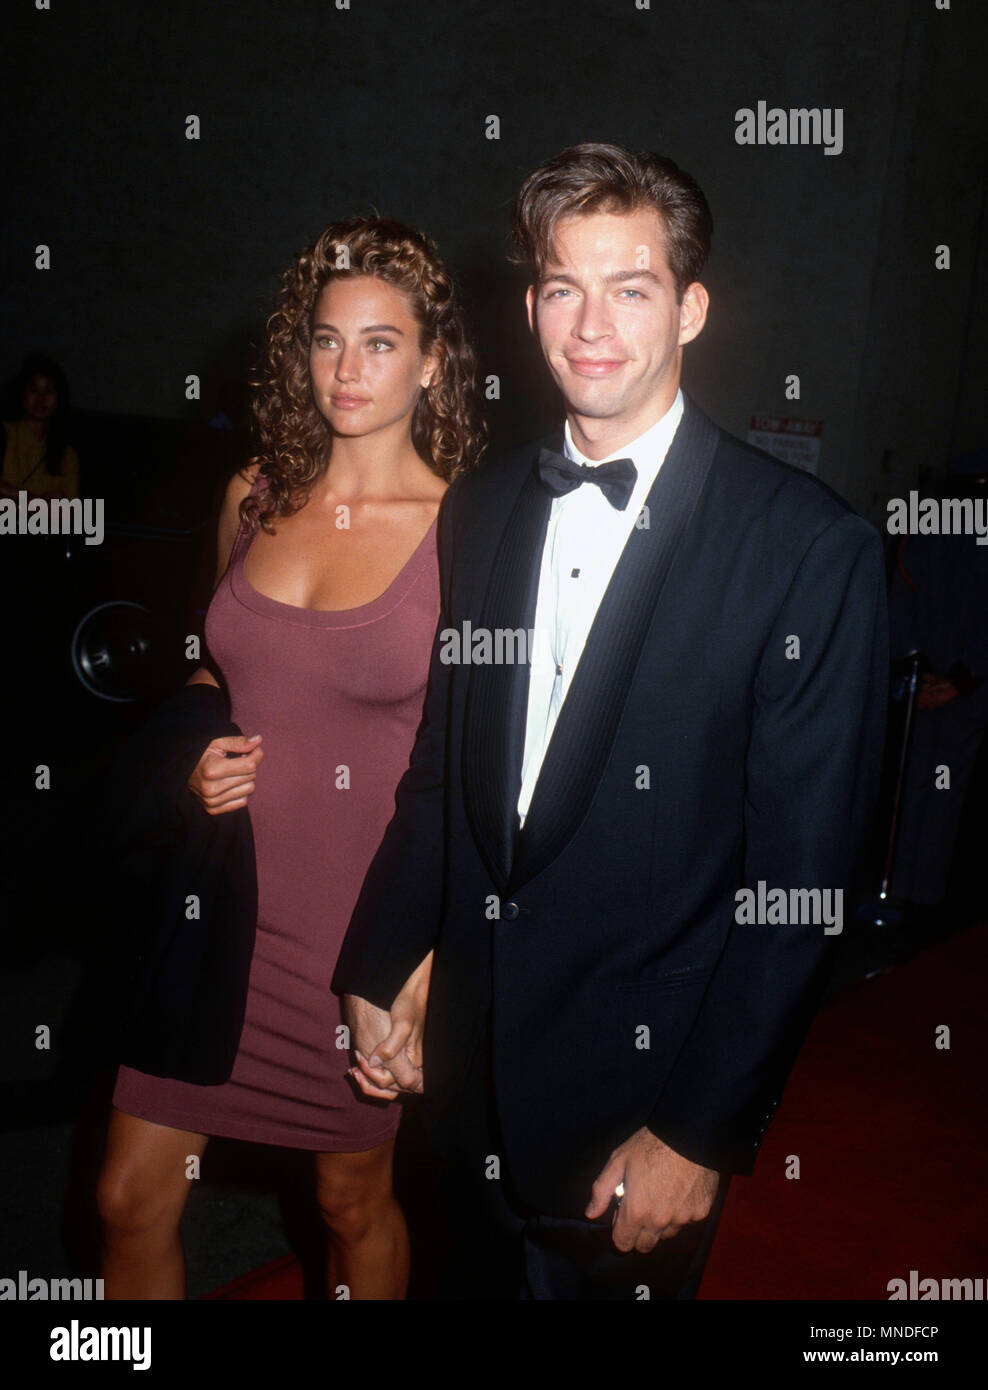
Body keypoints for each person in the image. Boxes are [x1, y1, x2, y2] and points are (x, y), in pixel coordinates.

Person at [333, 144, 889, 1300]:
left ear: (690, 308)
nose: (590, 324)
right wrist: (384, 958)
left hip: (641, 1109)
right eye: (560, 286)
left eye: (629, 287)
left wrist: (701, 1129)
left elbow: (800, 885)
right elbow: (441, 776)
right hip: (467, 1082)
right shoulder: (483, 507)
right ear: (530, 302)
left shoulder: (804, 549)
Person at [96, 216, 485, 1299]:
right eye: (325, 339)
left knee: (348, 1201)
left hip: (357, 929)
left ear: (431, 360)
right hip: (208, 906)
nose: (346, 368)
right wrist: (191, 755)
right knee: (129, 1198)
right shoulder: (254, 493)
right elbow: (207, 674)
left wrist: (418, 957)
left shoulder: (467, 533)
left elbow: (480, 769)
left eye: (378, 342)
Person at [1, 354, 79, 501]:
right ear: (22, 393)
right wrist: (39, 501)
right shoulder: (5, 433)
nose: (41, 399)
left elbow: (70, 512)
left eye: (48, 392)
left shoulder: (68, 455)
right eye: (33, 390)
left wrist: (12, 495)